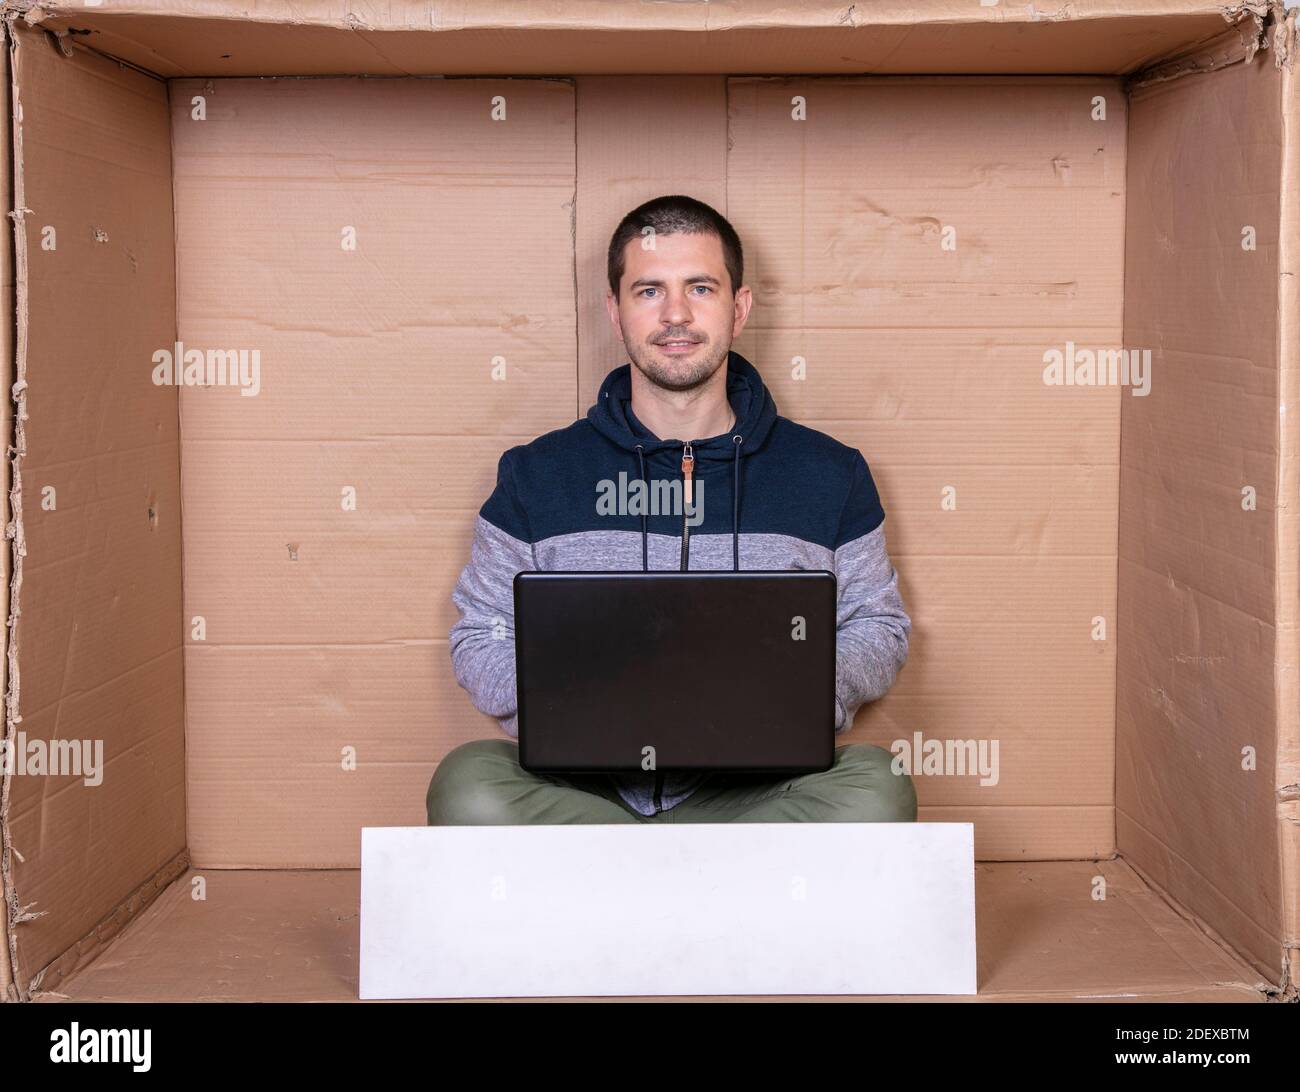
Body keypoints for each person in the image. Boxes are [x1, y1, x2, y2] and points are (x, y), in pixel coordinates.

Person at [427, 194, 916, 825]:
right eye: (650, 291)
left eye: (701, 288)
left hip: (757, 791)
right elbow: (481, 632)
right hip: (586, 790)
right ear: (615, 311)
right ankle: (713, 894)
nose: (676, 314)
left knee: (878, 786)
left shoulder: (831, 474)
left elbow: (878, 626)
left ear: (739, 308)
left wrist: (777, 703)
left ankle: (631, 892)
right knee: (468, 784)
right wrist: (596, 707)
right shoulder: (534, 475)